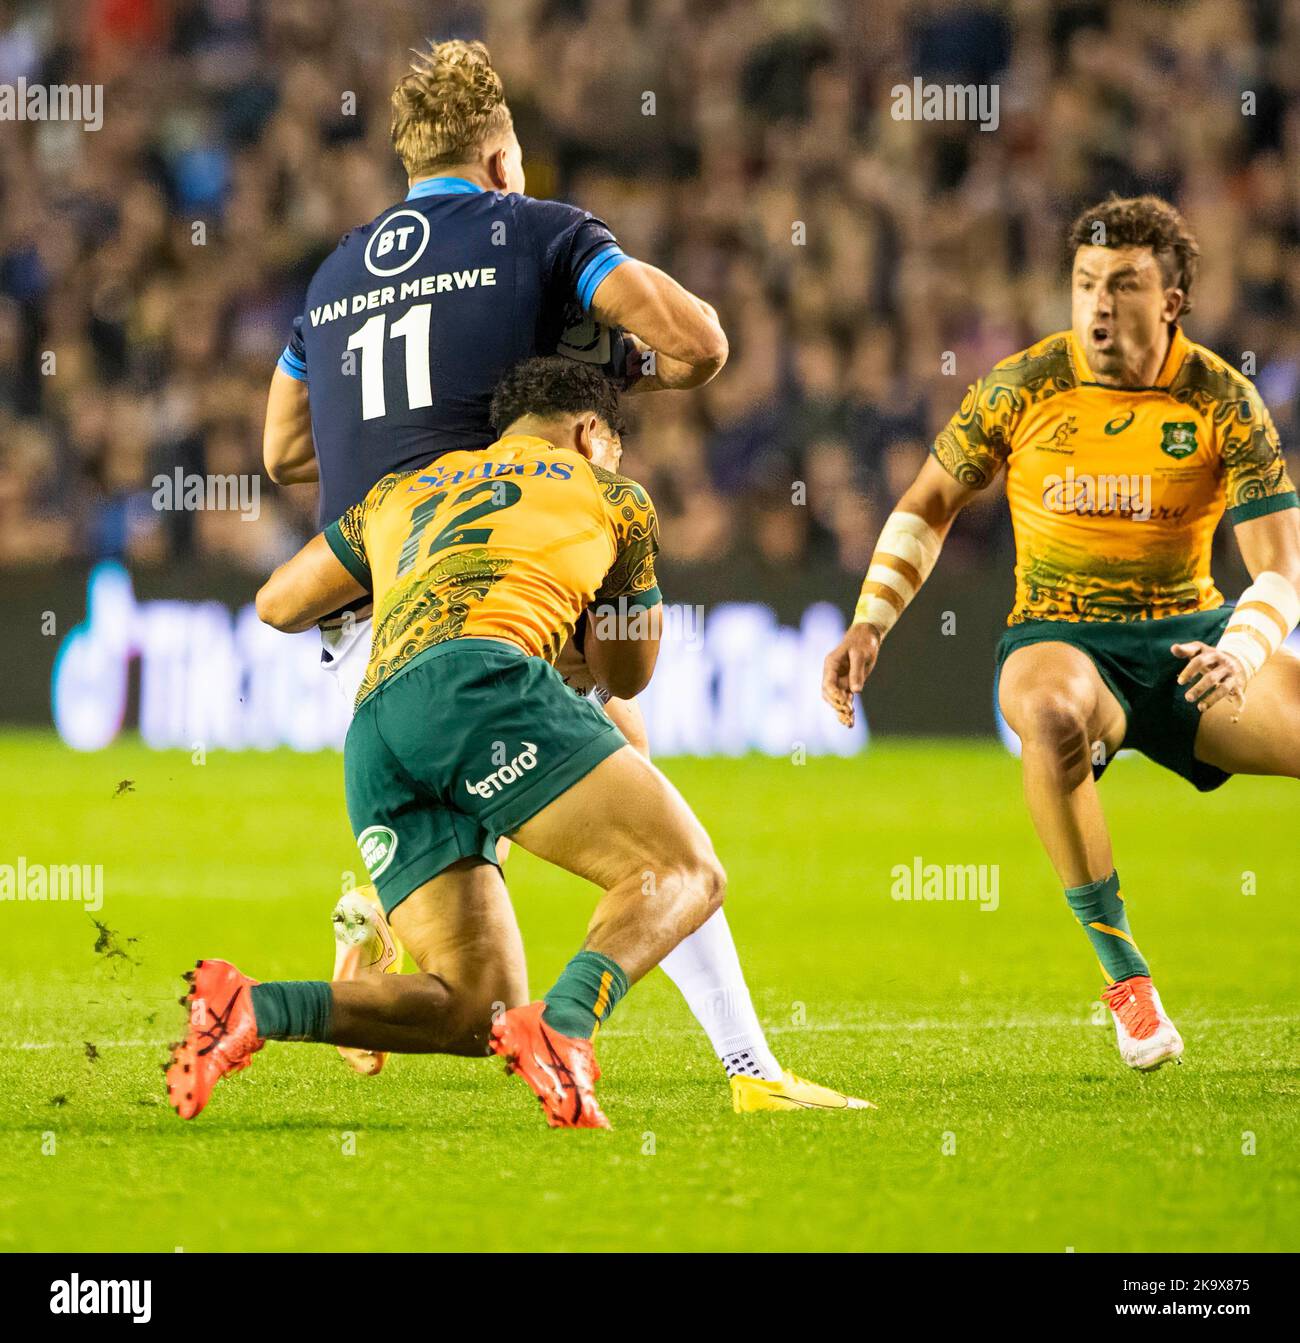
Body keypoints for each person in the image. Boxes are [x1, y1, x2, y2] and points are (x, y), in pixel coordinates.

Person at [263, 38, 861, 1110]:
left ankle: (374, 951)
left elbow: (280, 453)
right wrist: (613, 372)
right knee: (645, 810)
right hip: (469, 599)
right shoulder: (537, 231)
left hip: (357, 630)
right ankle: (747, 1070)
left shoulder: (334, 271)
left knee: (497, 924)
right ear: (499, 160)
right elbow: (700, 342)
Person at [822, 195, 1300, 1072]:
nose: (1099, 305)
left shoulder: (1225, 401)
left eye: (1123, 284)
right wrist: (870, 621)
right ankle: (1126, 977)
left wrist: (1242, 648)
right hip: (1060, 634)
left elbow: (1281, 566)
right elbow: (929, 504)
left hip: (1195, 644)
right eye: (1085, 283)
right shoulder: (1022, 385)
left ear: (1173, 302)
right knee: (1047, 713)